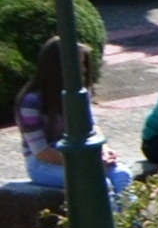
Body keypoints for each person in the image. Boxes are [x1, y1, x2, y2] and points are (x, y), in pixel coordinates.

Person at [18, 69, 127, 209]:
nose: (83, 71)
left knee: (122, 174)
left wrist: (104, 150)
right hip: (43, 162)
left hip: (82, 155)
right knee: (98, 182)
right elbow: (40, 151)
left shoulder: (82, 94)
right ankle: (112, 227)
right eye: (79, 66)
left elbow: (92, 126)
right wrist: (87, 163)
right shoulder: (31, 102)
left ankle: (132, 226)